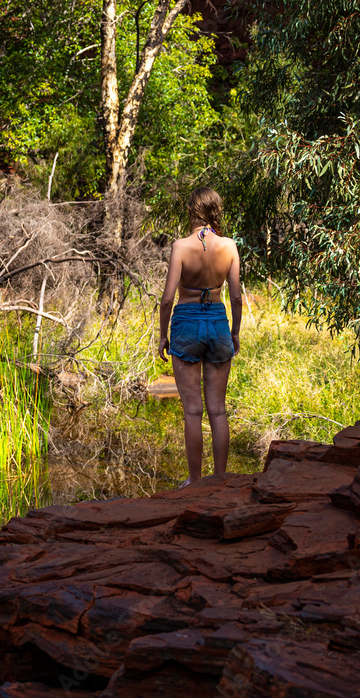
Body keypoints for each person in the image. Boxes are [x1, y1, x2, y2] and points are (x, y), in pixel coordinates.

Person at [157, 187, 242, 486]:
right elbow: (236, 298)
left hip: (186, 323)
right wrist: (234, 333)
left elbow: (167, 299)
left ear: (192, 210)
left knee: (192, 411)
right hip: (218, 322)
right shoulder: (230, 246)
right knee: (217, 410)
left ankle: (195, 481)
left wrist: (162, 336)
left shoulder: (180, 246)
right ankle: (219, 480)